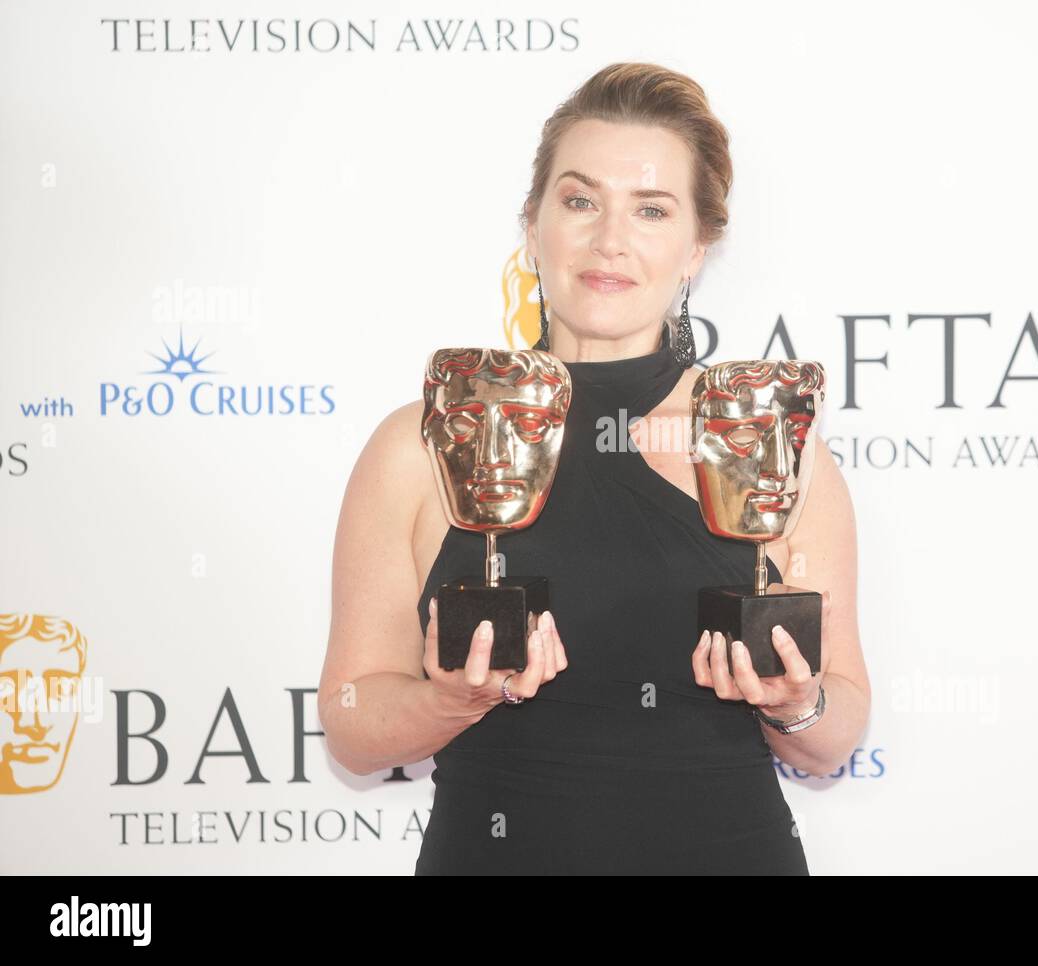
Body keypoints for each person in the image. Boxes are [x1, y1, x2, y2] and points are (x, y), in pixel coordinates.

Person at [317, 62, 871, 874]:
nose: (609, 240)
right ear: (532, 222)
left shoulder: (770, 447)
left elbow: (836, 733)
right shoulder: (425, 443)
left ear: (696, 249)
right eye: (580, 201)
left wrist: (797, 704)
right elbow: (353, 723)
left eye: (650, 210)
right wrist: (449, 699)